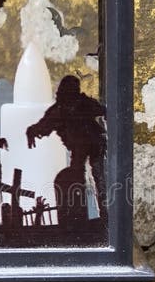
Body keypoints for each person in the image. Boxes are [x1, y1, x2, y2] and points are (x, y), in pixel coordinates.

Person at [26, 75, 106, 222]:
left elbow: (102, 110)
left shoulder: (79, 104)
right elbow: (44, 125)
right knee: (81, 176)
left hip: (94, 144)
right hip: (85, 146)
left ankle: (102, 213)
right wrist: (32, 130)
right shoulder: (61, 109)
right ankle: (87, 214)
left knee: (95, 176)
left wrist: (33, 131)